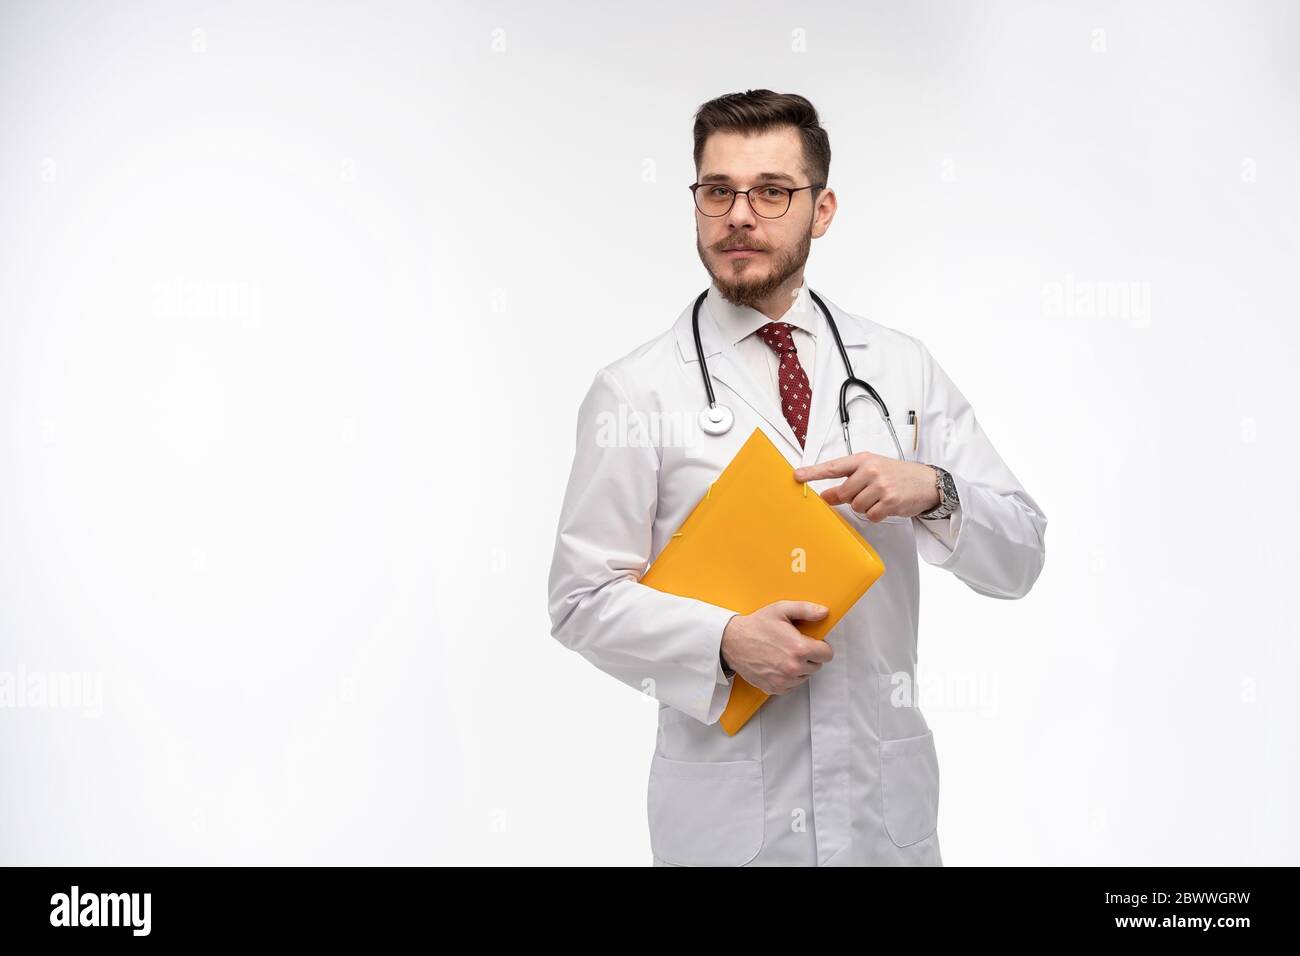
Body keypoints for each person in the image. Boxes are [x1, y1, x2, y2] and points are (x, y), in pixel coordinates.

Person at [547, 89, 1047, 866]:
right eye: (718, 192)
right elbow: (580, 602)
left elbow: (1020, 556)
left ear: (822, 209)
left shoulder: (899, 368)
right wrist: (722, 641)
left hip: (882, 811)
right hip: (729, 818)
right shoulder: (637, 391)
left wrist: (935, 490)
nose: (739, 215)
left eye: (771, 191)